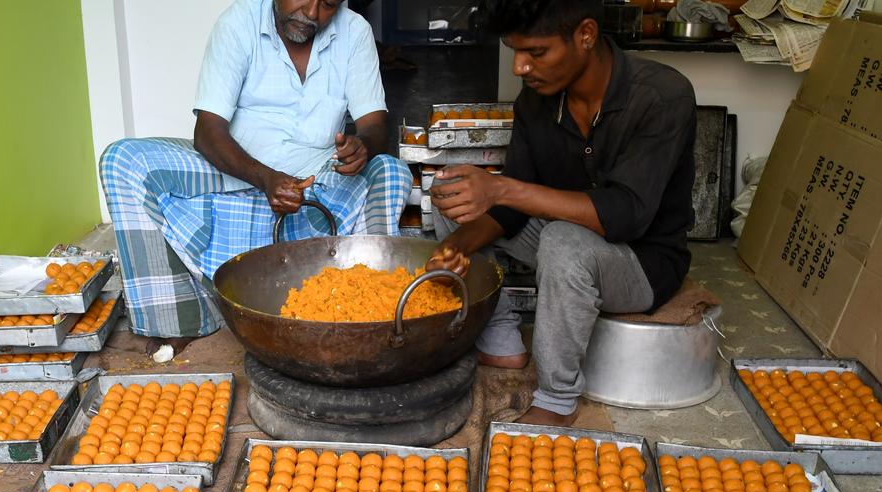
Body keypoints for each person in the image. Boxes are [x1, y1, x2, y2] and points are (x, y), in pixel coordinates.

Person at [427, 0, 696, 425]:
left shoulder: (662, 96)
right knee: (454, 194)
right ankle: (500, 341)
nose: (519, 67)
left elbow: (627, 215)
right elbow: (511, 211)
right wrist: (456, 246)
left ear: (585, 35)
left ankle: (555, 401)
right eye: (515, 51)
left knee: (561, 240)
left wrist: (502, 188)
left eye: (536, 52)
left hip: (641, 261)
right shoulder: (536, 101)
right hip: (563, 243)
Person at [100, 0, 409, 362]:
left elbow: (374, 125)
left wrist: (362, 147)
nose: (312, 13)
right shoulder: (238, 23)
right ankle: (180, 319)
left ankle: (369, 311)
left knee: (390, 171)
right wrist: (265, 178)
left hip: (318, 180)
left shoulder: (354, 32)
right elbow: (208, 132)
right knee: (122, 160)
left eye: (327, 4)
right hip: (235, 171)